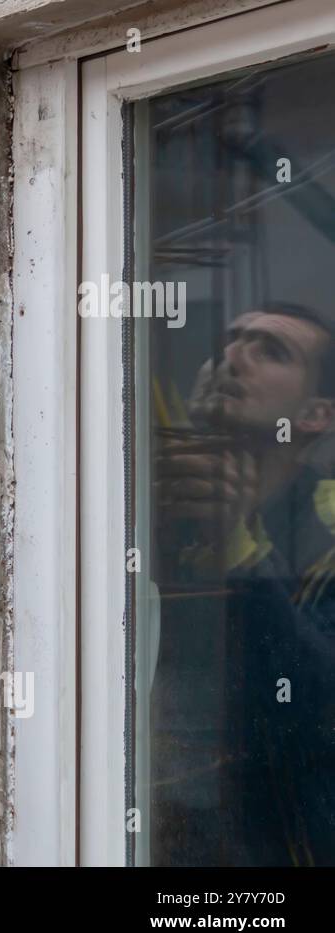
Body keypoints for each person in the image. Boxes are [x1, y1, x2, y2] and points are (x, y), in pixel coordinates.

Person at [151, 303, 335, 865]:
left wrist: (239, 552)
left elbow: (316, 704)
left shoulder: (325, 531)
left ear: (315, 414)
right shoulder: (136, 490)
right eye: (230, 341)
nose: (231, 358)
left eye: (270, 351)